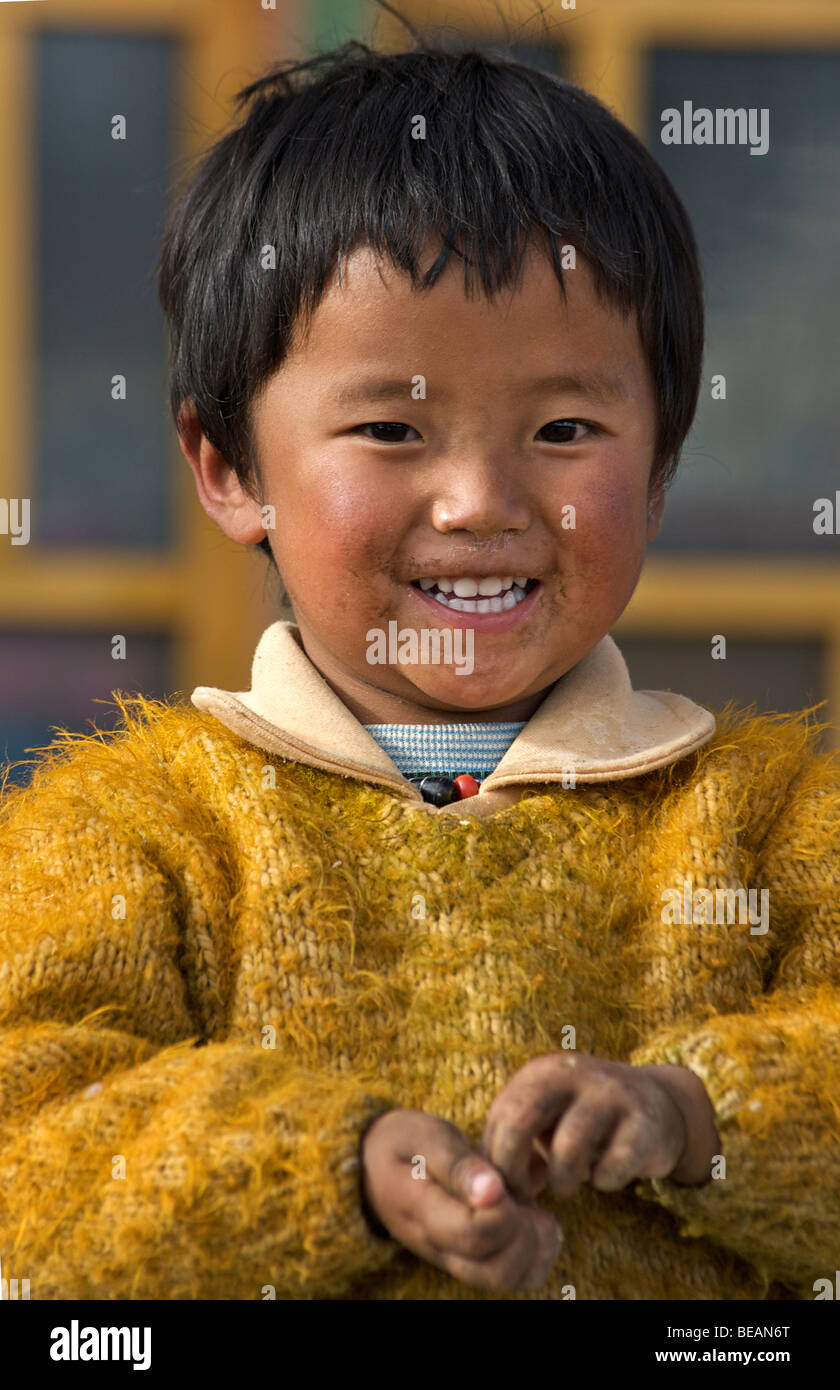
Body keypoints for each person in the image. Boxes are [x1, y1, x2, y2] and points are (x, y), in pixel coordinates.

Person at [1, 34, 837, 1302]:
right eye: (393, 428)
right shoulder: (131, 840)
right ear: (228, 467)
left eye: (565, 430)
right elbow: (31, 1148)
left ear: (660, 469)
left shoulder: (774, 831)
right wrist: (337, 1166)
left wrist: (697, 1116)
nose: (478, 501)